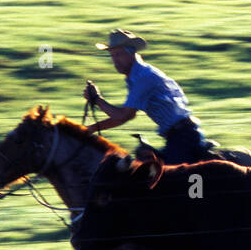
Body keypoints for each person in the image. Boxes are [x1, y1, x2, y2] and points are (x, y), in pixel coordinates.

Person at [83, 29, 216, 164]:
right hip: (179, 136)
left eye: (118, 55)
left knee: (166, 179)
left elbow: (123, 115)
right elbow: (126, 116)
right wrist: (91, 129)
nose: (115, 61)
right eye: (112, 56)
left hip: (183, 137)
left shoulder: (143, 77)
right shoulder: (135, 77)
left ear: (131, 52)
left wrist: (97, 99)